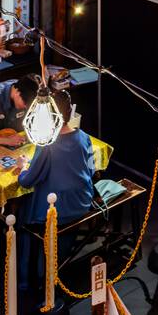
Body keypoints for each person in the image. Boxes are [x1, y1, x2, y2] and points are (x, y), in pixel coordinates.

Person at [17, 90, 95, 291]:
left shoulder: (47, 146)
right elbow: (91, 169)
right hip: (82, 201)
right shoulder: (84, 137)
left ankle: (26, 280)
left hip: (57, 212)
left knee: (24, 216)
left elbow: (28, 181)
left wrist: (22, 167)